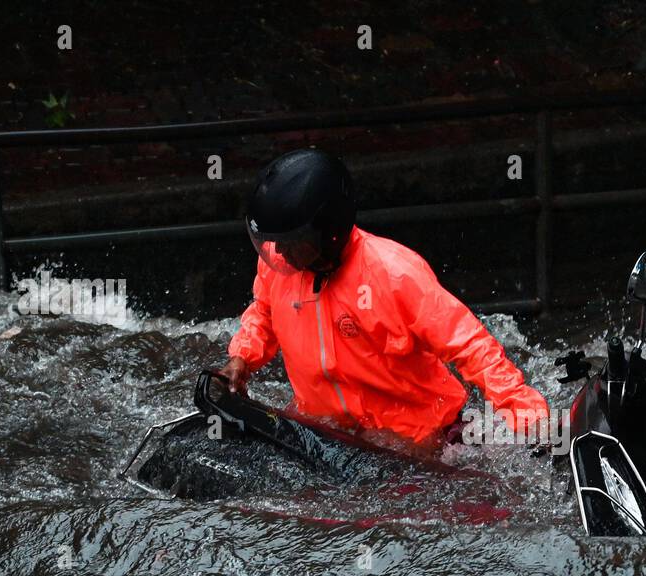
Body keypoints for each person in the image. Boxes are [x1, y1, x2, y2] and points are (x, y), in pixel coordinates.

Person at [221, 149, 549, 445]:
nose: (279, 252)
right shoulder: (278, 268)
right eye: (272, 242)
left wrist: (530, 420)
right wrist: (242, 360)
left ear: (328, 230)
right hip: (326, 437)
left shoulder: (394, 274)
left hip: (421, 441)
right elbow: (263, 313)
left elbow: (471, 346)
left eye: (291, 241)